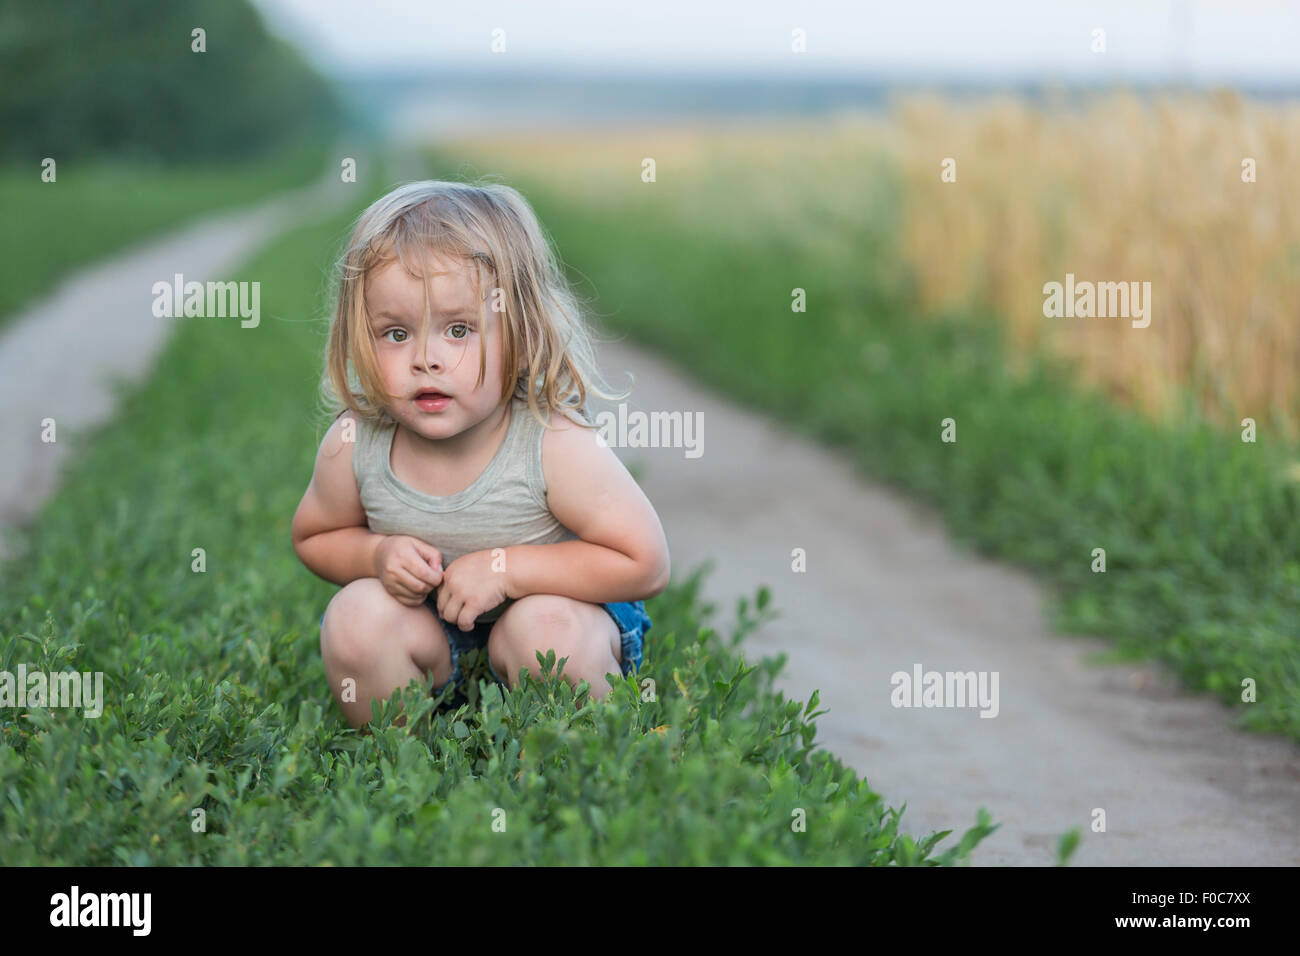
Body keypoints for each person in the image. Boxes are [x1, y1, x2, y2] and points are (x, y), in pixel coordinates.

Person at [291, 179, 670, 730]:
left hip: (549, 622)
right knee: (355, 618)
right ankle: (407, 765)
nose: (426, 358)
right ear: (359, 338)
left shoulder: (551, 440)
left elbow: (644, 562)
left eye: (459, 329)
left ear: (522, 330)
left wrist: (506, 569)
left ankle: (571, 764)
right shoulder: (356, 441)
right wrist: (375, 556)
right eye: (395, 333)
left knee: (543, 629)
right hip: (434, 638)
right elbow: (315, 536)